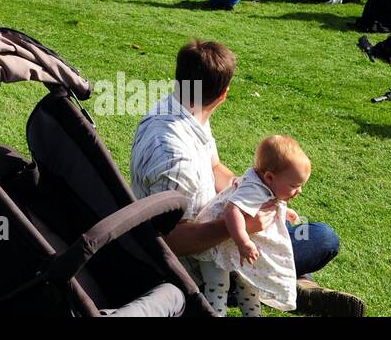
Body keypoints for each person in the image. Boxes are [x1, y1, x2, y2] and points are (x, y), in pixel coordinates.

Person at [129, 39, 364, 316]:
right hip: (202, 264)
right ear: (223, 94)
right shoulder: (175, 155)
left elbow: (215, 167)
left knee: (292, 233)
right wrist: (242, 228)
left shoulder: (179, 107)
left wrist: (259, 197)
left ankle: (298, 284)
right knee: (323, 239)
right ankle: (279, 285)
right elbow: (171, 241)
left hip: (223, 226)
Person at [193, 134, 312, 317]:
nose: (299, 191)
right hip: (214, 243)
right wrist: (243, 242)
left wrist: (283, 211)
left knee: (249, 282)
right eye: (294, 185)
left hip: (232, 243)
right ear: (270, 177)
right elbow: (232, 211)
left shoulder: (266, 183)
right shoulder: (253, 189)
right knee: (218, 285)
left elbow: (270, 200)